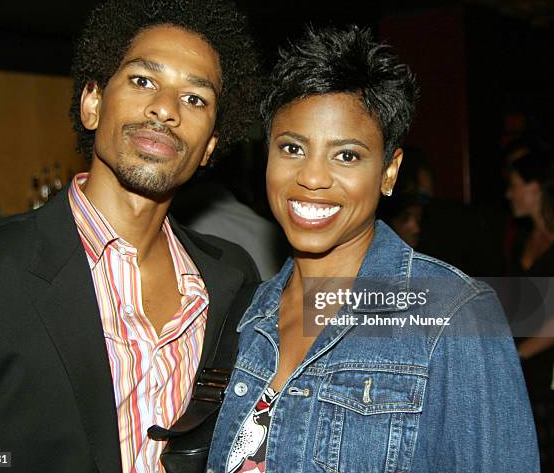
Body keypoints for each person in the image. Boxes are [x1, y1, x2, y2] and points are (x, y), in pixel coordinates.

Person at [0, 0, 261, 472]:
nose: (166, 109)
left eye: (195, 99)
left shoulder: (230, 278)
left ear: (211, 146)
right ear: (92, 103)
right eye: (142, 81)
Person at [207, 26, 539, 473]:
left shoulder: (452, 312)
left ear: (388, 172)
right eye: (292, 148)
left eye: (346, 155)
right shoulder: (248, 311)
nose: (312, 177)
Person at [505, 151, 554, 470]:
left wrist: (516, 356)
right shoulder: (519, 238)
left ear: (536, 187)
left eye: (514, 185)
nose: (508, 193)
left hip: (545, 370)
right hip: (523, 370)